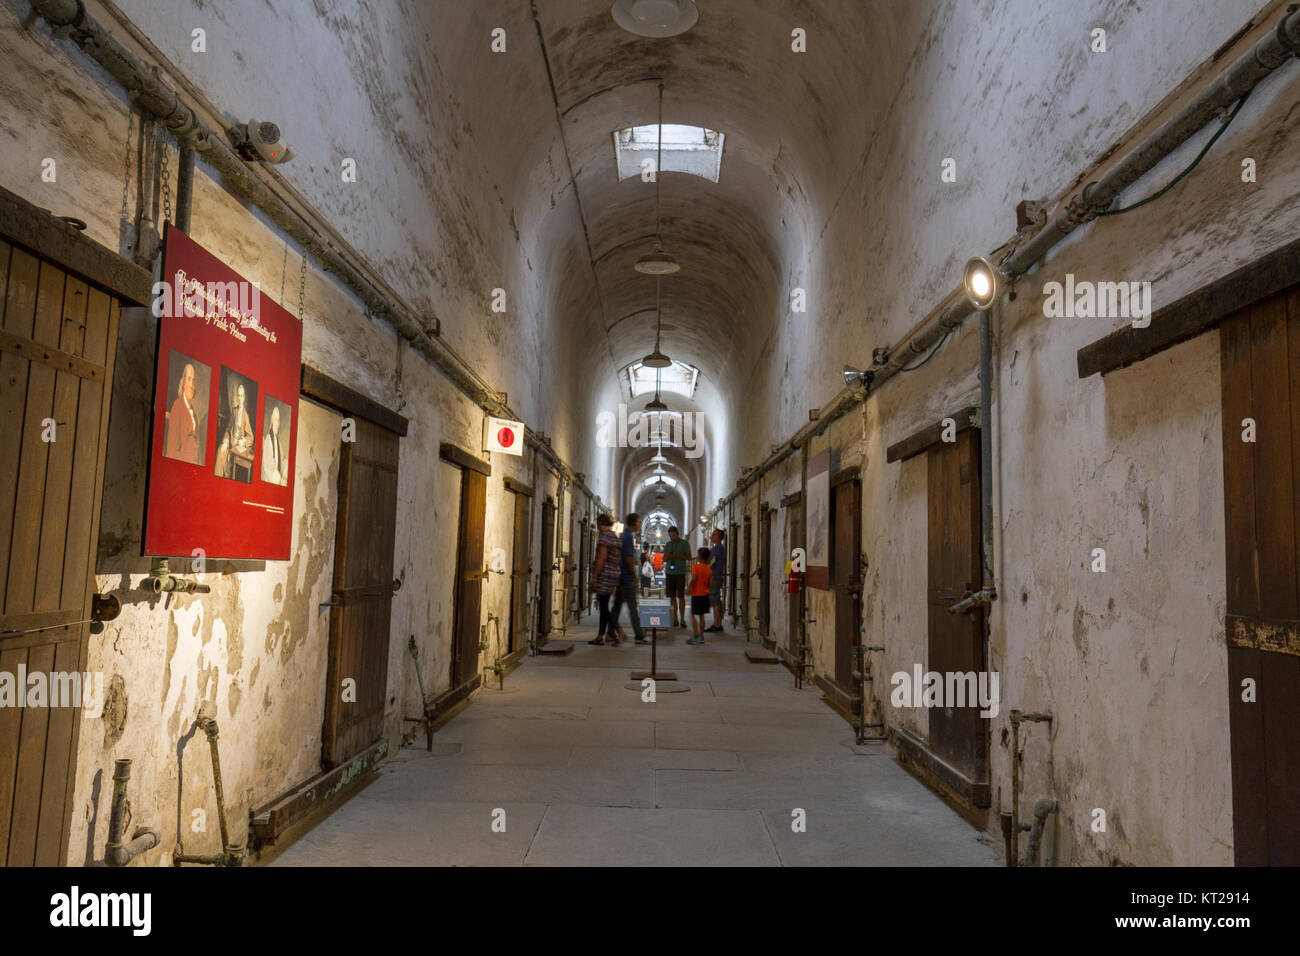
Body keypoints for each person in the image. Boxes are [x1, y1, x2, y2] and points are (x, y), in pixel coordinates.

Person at [610, 512, 648, 644]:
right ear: (633, 523)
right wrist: (635, 576)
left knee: (617, 606)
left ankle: (611, 631)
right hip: (626, 577)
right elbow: (628, 559)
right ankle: (638, 636)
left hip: (622, 576)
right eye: (639, 522)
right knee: (632, 607)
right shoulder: (627, 537)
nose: (640, 524)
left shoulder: (625, 536)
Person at [588, 514, 625, 645]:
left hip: (605, 574)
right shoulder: (615, 537)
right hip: (614, 574)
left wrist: (595, 577)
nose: (597, 528)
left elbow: (601, 558)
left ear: (600, 524)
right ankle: (600, 636)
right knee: (603, 604)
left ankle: (618, 629)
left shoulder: (604, 538)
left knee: (603, 607)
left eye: (598, 524)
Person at [215, 382, 254, 480]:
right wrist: (225, 441)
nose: (240, 398)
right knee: (220, 451)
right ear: (237, 397)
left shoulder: (245, 415)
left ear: (244, 397)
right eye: (239, 396)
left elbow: (251, 436)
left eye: (242, 396)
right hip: (230, 442)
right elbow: (228, 428)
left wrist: (244, 441)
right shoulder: (234, 411)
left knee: (230, 463)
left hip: (237, 447)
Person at [165, 362, 201, 464]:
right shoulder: (177, 406)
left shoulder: (193, 413)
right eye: (189, 379)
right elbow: (172, 449)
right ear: (183, 382)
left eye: (193, 381)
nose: (191, 385)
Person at [663, 526, 691, 627]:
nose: (672, 537)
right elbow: (664, 559)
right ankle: (675, 619)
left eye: (673, 535)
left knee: (681, 597)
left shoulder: (684, 543)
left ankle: (682, 619)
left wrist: (678, 555)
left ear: (677, 534)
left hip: (680, 573)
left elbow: (689, 557)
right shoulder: (668, 544)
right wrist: (669, 556)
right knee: (672, 597)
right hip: (670, 573)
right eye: (670, 535)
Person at [687, 546, 713, 644]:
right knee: (702, 616)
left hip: (697, 594)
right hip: (705, 594)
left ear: (700, 557)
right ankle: (702, 636)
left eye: (698, 554)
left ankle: (696, 635)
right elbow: (710, 584)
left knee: (692, 615)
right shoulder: (709, 569)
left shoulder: (696, 567)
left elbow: (694, 578)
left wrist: (689, 587)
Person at [706, 528, 727, 632]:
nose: (711, 536)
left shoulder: (718, 549)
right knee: (716, 600)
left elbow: (711, 563)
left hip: (715, 577)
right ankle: (718, 623)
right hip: (716, 577)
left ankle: (717, 625)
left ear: (719, 537)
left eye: (714, 534)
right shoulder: (718, 548)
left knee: (715, 601)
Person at [261, 404, 287, 485]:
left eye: (278, 420)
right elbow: (268, 465)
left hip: (277, 477)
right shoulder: (268, 439)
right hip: (269, 479)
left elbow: (282, 461)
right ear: (272, 420)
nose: (277, 423)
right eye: (276, 420)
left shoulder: (278, 442)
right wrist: (279, 477)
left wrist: (285, 470)